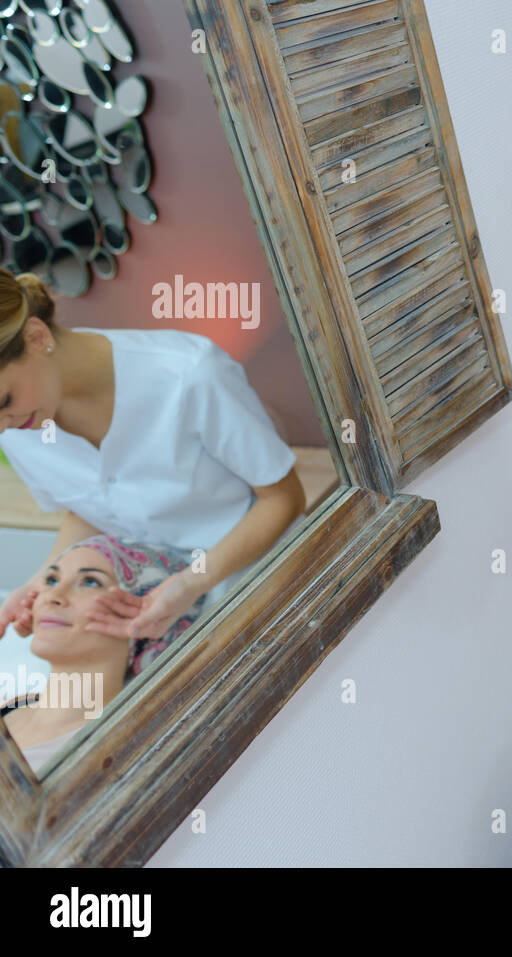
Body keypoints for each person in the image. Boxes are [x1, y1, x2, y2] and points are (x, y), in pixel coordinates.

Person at [0, 269, 305, 644]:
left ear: (36, 336)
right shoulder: (19, 426)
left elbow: (283, 498)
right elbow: (88, 510)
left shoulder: (187, 374)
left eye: (4, 401)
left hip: (274, 580)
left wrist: (195, 581)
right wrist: (41, 581)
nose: (3, 427)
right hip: (160, 617)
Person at [1, 535, 207, 775]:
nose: (52, 596)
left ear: (151, 621)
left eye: (90, 582)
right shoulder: (11, 709)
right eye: (51, 579)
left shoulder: (123, 754)